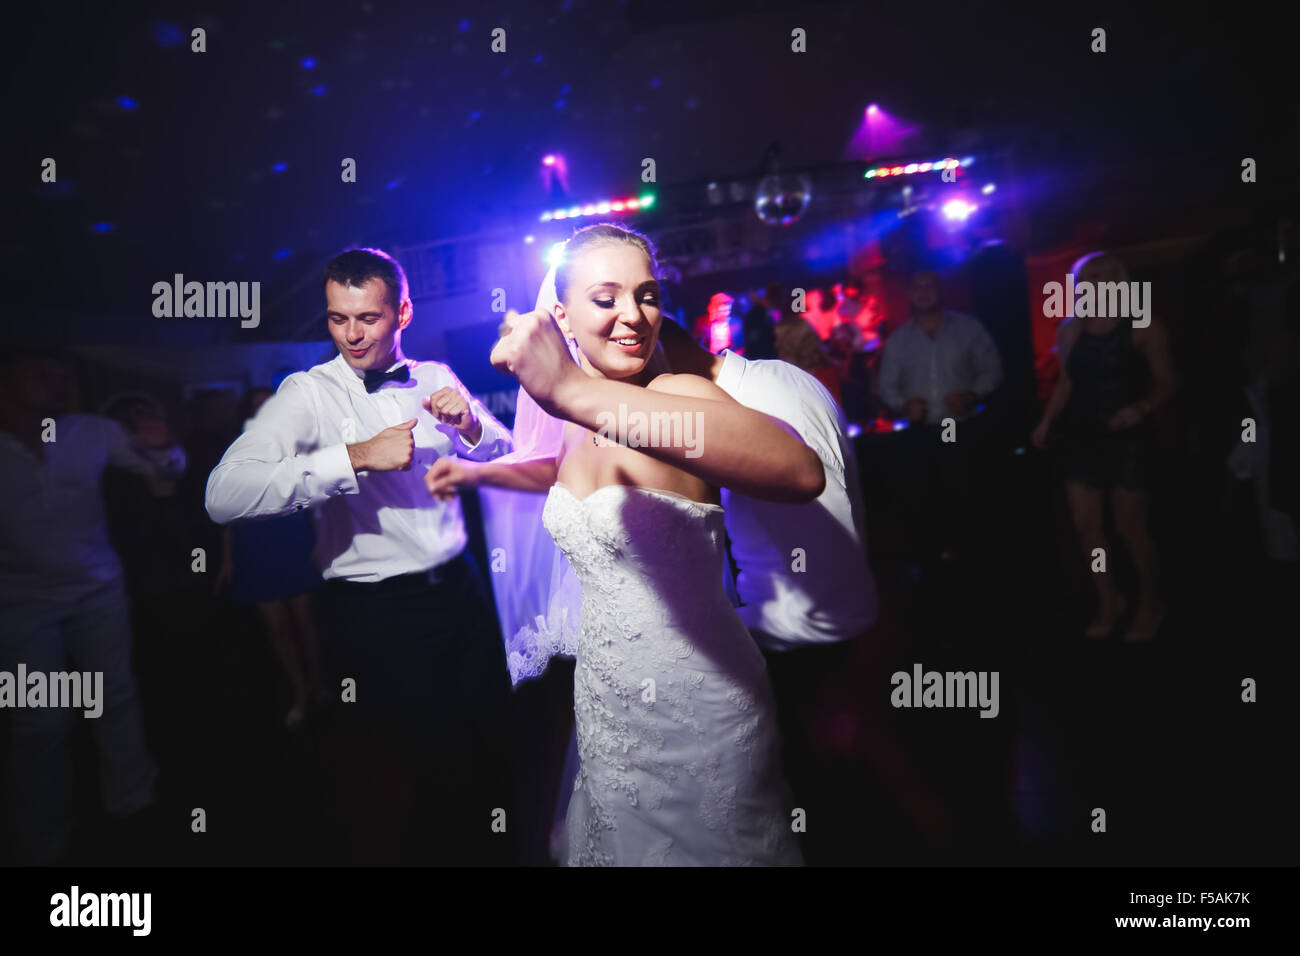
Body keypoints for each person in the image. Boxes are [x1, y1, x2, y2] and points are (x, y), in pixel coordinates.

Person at [432, 223, 825, 865]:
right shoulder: (581, 415)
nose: (633, 316)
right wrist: (477, 468)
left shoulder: (676, 396)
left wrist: (568, 387)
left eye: (646, 295)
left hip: (698, 704)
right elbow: (556, 469)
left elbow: (800, 471)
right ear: (560, 313)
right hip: (607, 698)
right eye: (606, 297)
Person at [205, 247, 516, 864]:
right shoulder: (307, 394)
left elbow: (502, 455)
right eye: (337, 319)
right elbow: (223, 494)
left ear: (402, 312)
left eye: (367, 319)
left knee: (489, 737)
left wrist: (472, 429)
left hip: (461, 586)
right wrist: (351, 458)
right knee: (408, 766)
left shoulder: (433, 376)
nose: (351, 335)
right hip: (376, 611)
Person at [0, 351, 179, 865]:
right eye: (40, 373)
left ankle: (134, 805)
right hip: (19, 603)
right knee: (40, 722)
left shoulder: (89, 432)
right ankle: (41, 842)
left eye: (61, 375)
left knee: (114, 698)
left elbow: (166, 469)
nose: (55, 382)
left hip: (98, 589)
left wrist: (162, 446)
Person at [1032, 251, 1175, 643]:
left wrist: (1142, 407)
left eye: (1104, 274)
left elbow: (1166, 381)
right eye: (1088, 277)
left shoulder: (1143, 323)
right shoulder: (1069, 329)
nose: (1096, 282)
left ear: (1119, 279)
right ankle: (1109, 601)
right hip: (1082, 435)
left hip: (1127, 435)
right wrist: (1047, 421)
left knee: (1131, 528)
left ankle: (1151, 603)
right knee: (1086, 526)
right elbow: (1066, 382)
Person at [214, 387, 326, 730]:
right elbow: (227, 507)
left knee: (305, 620)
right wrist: (227, 560)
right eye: (257, 406)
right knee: (276, 627)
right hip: (254, 541)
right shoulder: (238, 450)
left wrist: (320, 542)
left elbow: (315, 499)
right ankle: (299, 691)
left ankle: (319, 684)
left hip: (291, 535)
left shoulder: (298, 445)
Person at [878, 271, 1004, 563]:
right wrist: (903, 404)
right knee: (924, 498)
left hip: (961, 426)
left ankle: (974, 557)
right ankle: (934, 564)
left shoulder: (968, 328)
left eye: (929, 285)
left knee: (968, 493)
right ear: (910, 294)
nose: (923, 291)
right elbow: (886, 386)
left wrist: (972, 394)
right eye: (917, 286)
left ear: (940, 290)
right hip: (921, 431)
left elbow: (993, 369)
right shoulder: (899, 339)